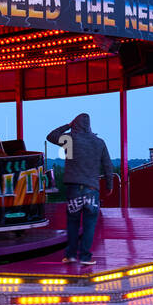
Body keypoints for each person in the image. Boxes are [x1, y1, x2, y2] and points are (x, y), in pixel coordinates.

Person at [47, 113, 113, 265]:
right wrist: (109, 186)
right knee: (90, 223)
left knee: (73, 222)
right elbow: (108, 166)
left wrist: (68, 125)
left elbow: (51, 136)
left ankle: (70, 255)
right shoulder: (99, 142)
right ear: (90, 125)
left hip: (73, 187)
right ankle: (85, 257)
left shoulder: (70, 139)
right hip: (91, 188)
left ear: (75, 124)